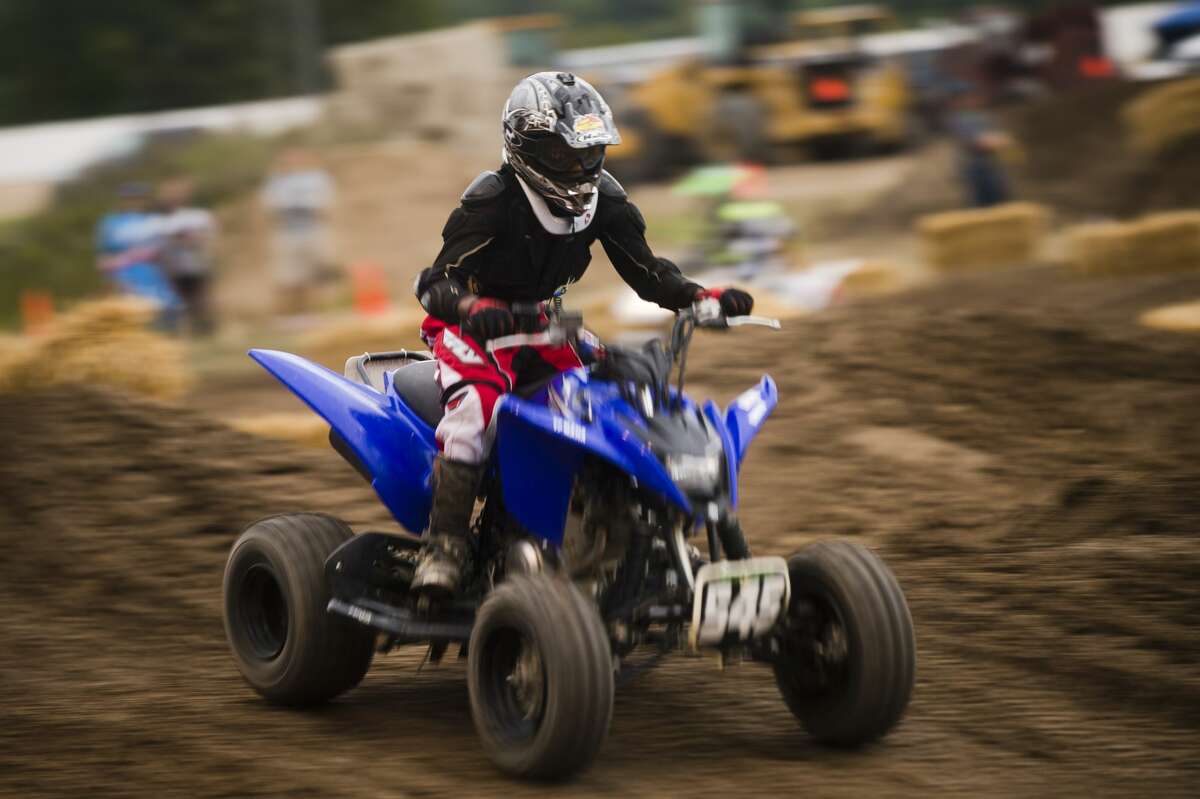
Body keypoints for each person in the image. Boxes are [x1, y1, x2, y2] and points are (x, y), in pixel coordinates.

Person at [410, 72, 754, 594]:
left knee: (619, 389)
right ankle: (445, 549)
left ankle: (625, 528)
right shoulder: (492, 199)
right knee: (475, 410)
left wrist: (701, 298)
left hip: (545, 326)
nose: (580, 168)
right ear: (527, 148)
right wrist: (472, 305)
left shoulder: (605, 200)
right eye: (565, 156)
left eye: (589, 154)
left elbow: (649, 274)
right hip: (471, 329)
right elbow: (433, 284)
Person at [260, 148, 337, 314]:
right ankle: (292, 312)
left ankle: (315, 311)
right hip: (287, 232)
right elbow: (270, 208)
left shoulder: (317, 178)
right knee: (289, 276)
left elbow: (326, 205)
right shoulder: (276, 181)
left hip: (312, 229)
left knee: (316, 273)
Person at [95, 182, 180, 327]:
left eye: (139, 198)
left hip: (156, 276)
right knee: (133, 316)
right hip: (125, 277)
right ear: (122, 200)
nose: (134, 202)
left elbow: (167, 249)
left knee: (165, 313)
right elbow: (103, 255)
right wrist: (110, 276)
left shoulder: (155, 221)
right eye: (130, 198)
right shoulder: (111, 223)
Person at [157, 179, 217, 334]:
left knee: (202, 298)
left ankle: (206, 328)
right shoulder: (163, 220)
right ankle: (192, 329)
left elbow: (209, 235)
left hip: (198, 263)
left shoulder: (199, 215)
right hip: (176, 267)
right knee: (183, 300)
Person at [946, 85, 1013, 208]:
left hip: (992, 163)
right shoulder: (958, 120)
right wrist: (990, 142)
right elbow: (971, 142)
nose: (972, 101)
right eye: (966, 99)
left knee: (1000, 196)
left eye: (973, 97)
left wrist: (1000, 140)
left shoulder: (986, 117)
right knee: (983, 200)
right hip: (974, 165)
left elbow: (999, 136)